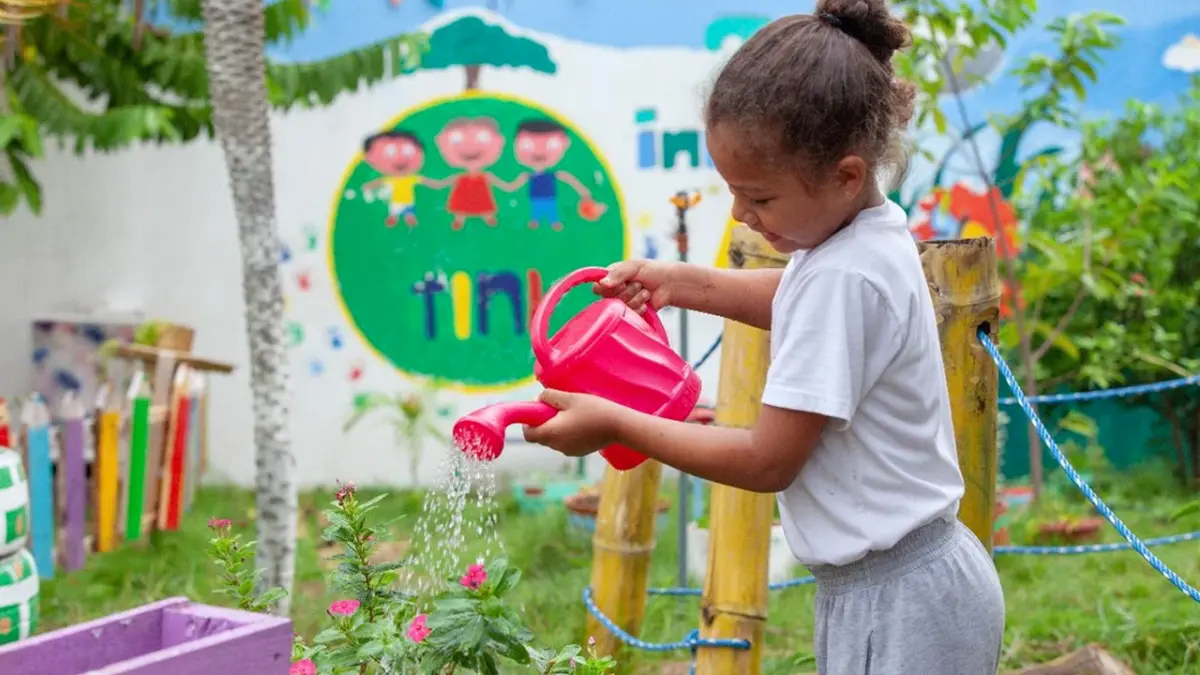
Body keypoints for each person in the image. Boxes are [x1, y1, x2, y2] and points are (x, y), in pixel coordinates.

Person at [521, 1, 1006, 673]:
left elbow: (765, 460)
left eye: (760, 198)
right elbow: (798, 296)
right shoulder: (862, 233)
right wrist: (680, 281)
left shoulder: (844, 275)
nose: (742, 214)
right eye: (732, 190)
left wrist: (618, 423)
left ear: (845, 174)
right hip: (902, 581)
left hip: (903, 600)